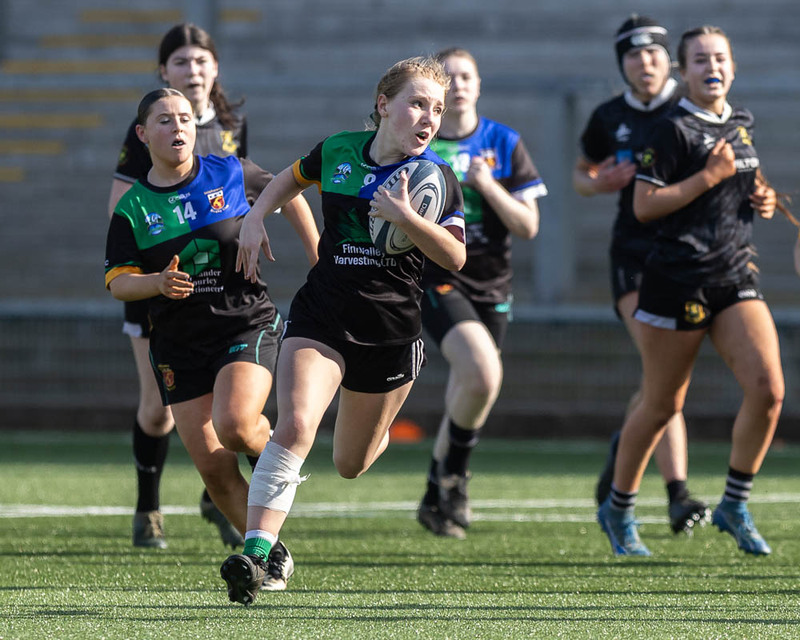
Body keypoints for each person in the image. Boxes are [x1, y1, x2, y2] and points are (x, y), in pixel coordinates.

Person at [218, 55, 466, 605]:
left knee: (349, 464)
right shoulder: (337, 151)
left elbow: (455, 256)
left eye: (439, 110)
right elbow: (290, 178)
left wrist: (408, 220)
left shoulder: (437, 178)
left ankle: (373, 428)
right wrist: (257, 216)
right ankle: (257, 554)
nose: (430, 118)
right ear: (384, 106)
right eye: (418, 104)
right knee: (297, 424)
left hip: (392, 334)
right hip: (322, 318)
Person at [105, 88, 319, 589]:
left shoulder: (229, 170)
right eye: (163, 120)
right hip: (178, 346)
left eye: (184, 118)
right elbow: (117, 280)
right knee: (212, 465)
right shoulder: (133, 208)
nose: (177, 127)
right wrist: (156, 283)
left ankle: (278, 449)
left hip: (244, 323)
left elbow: (289, 190)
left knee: (237, 425)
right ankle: (266, 555)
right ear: (142, 134)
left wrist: (318, 258)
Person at [596, 26, 785, 556]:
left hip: (735, 275)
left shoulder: (740, 122)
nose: (712, 66)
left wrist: (761, 194)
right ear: (684, 71)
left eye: (719, 57)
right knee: (660, 405)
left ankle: (734, 504)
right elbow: (644, 206)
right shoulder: (671, 130)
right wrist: (708, 178)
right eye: (699, 60)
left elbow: (743, 178)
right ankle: (619, 507)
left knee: (769, 391)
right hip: (677, 280)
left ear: (733, 65)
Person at [108, 24, 251, 550]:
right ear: (163, 72)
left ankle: (220, 496)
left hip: (221, 296)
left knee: (230, 403)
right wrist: (154, 266)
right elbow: (121, 209)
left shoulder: (231, 126)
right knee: (159, 410)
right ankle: (148, 509)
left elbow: (248, 196)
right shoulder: (146, 127)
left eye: (201, 61)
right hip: (158, 282)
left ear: (214, 69)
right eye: (181, 63)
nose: (193, 71)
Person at [574, 15, 710, 535]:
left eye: (652, 53)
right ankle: (678, 495)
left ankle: (624, 447)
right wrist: (599, 182)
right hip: (633, 259)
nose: (643, 62)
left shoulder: (690, 108)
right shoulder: (609, 116)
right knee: (664, 378)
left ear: (669, 59)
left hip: (692, 258)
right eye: (632, 55)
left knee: (662, 385)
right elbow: (580, 175)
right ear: (622, 65)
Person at [414, 48, 547, 539]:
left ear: (478, 83)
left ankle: (435, 494)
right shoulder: (420, 145)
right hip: (439, 276)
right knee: (483, 375)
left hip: (493, 282)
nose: (460, 83)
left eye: (467, 75)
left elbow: (528, 226)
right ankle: (456, 480)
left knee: (470, 388)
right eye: (450, 77)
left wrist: (488, 188)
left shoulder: (503, 141)